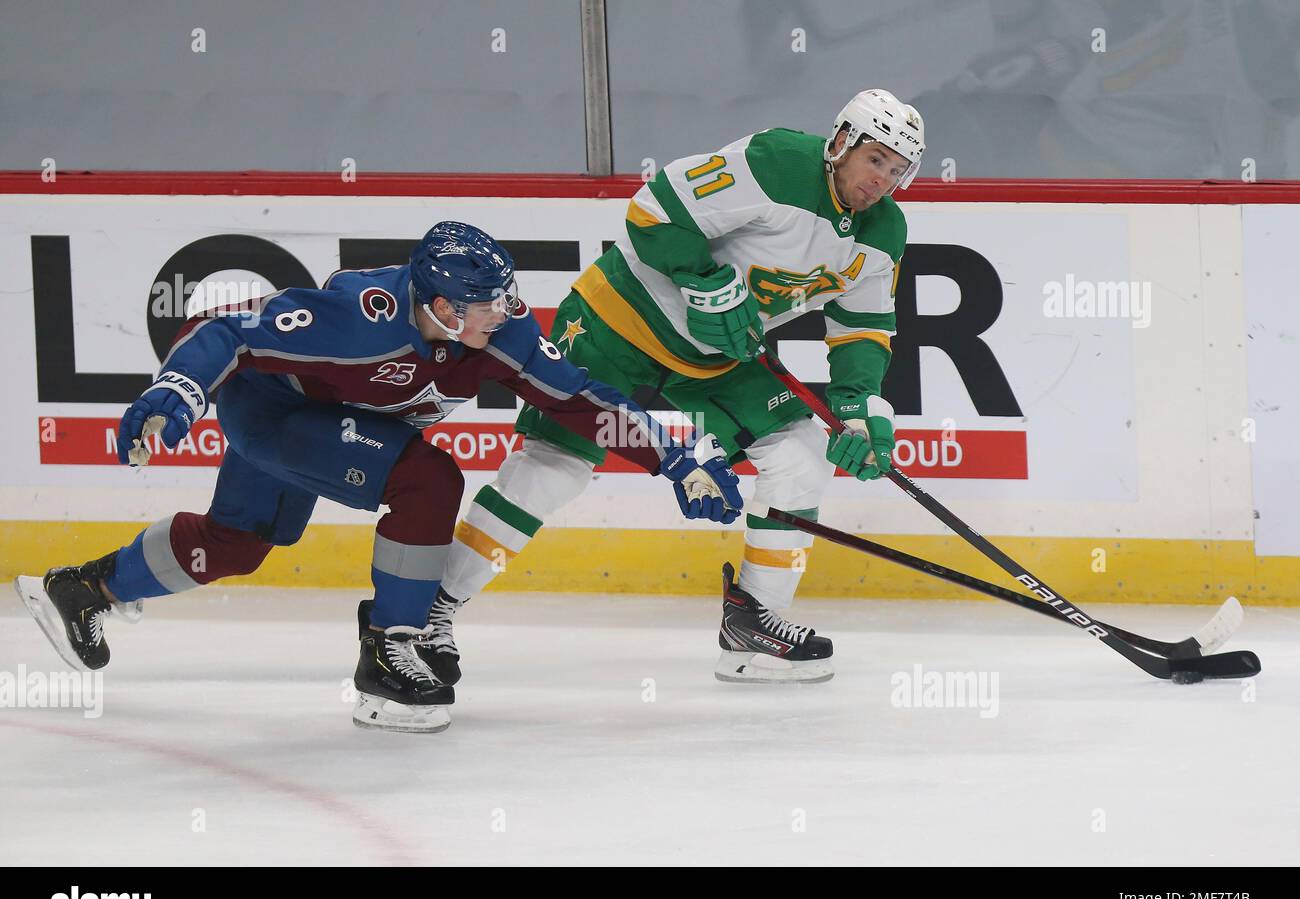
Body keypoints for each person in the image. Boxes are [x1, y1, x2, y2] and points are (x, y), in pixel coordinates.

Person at [13, 222, 742, 733]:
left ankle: (82, 588)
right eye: (486, 301)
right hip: (269, 413)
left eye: (505, 294)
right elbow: (228, 334)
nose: (505, 310)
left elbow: (579, 400)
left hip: (314, 427)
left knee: (236, 543)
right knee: (427, 481)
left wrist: (675, 458)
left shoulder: (500, 333)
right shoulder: (359, 320)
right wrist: (176, 394)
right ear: (442, 306)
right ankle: (391, 648)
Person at [440, 90, 924, 684]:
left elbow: (863, 326)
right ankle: (429, 612)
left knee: (801, 457)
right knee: (555, 465)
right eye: (875, 159)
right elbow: (654, 208)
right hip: (618, 320)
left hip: (716, 355)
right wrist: (705, 281)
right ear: (842, 141)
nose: (883, 180)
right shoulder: (777, 162)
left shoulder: (884, 233)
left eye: (898, 171)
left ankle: (754, 626)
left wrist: (857, 410)